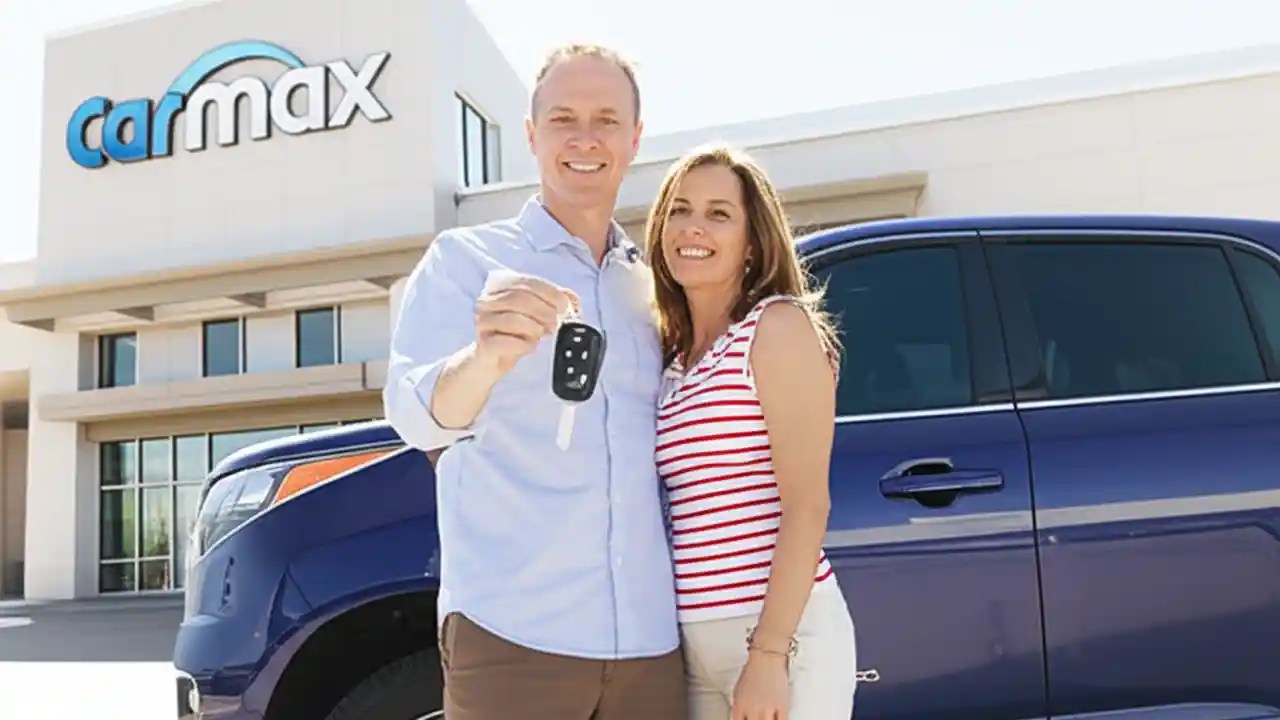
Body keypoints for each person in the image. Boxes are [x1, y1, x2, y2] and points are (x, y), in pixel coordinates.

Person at [383, 44, 686, 719]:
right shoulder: (467, 263)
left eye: (607, 119)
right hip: (514, 637)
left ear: (635, 139)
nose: (585, 138)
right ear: (531, 135)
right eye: (563, 119)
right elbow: (415, 416)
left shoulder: (654, 288)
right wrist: (486, 357)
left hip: (649, 645)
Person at [642, 142, 858, 720]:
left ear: (752, 242)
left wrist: (767, 655)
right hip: (695, 646)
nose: (693, 227)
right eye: (680, 209)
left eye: (719, 214)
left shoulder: (776, 328)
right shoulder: (673, 361)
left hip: (780, 640)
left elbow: (809, 505)